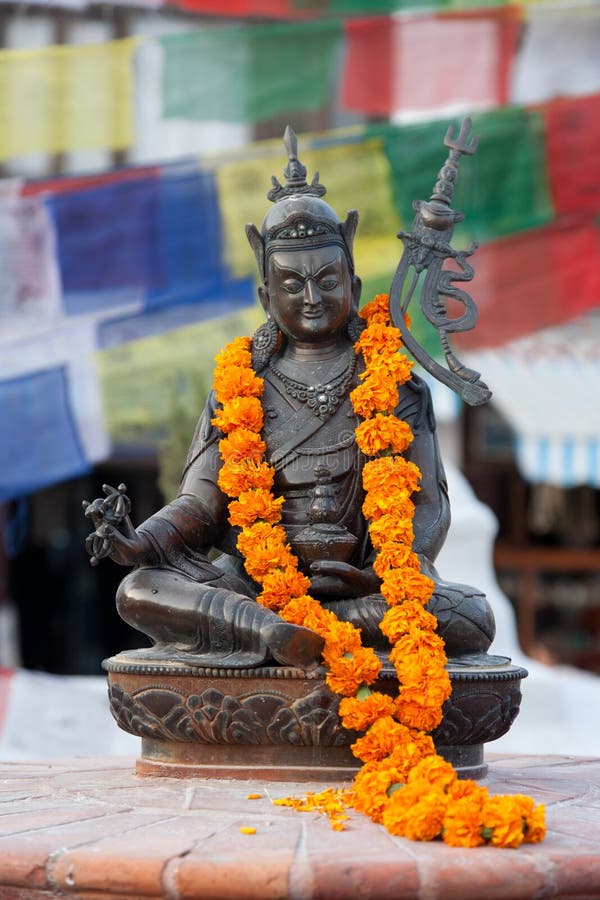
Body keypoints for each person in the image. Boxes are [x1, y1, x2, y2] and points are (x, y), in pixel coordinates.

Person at [84, 129, 495, 669]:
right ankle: (271, 630)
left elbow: (428, 506)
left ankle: (301, 631)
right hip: (253, 583)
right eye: (291, 283)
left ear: (352, 280)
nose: (312, 297)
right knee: (139, 590)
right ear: (265, 295)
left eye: (327, 279)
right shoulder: (236, 391)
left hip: (362, 589)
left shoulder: (395, 384)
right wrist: (140, 542)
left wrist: (382, 571)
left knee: (469, 615)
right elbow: (200, 505)